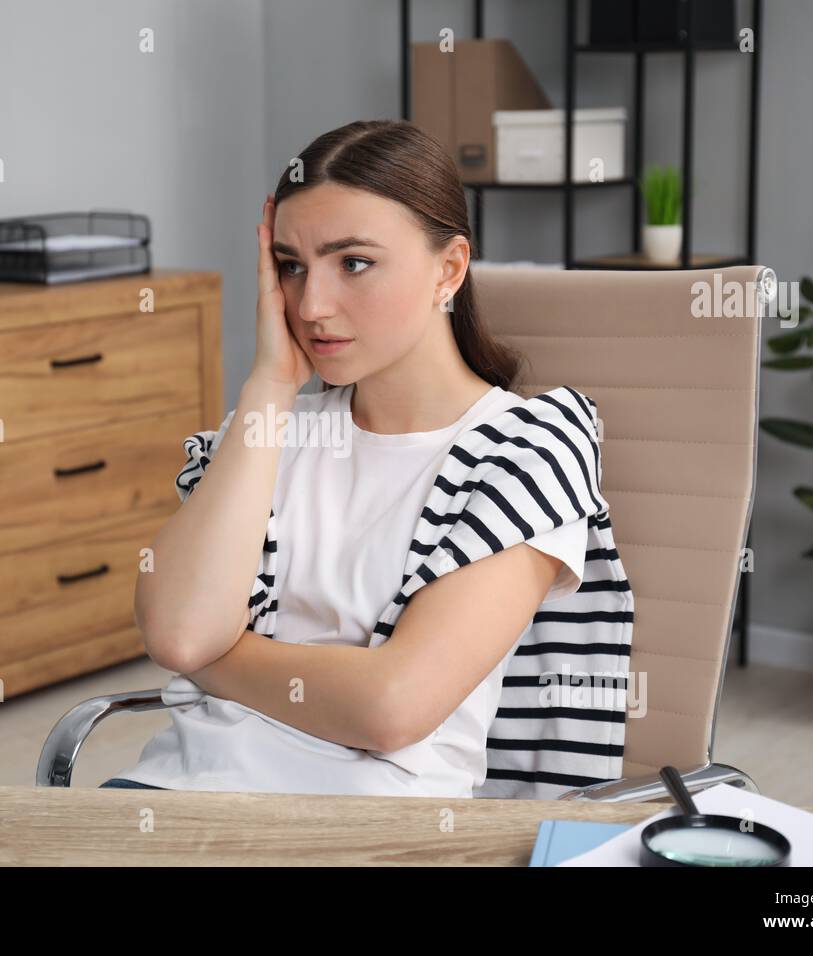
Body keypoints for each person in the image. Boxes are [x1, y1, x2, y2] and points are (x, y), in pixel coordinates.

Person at [101, 119, 596, 797]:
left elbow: (391, 708)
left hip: (366, 831)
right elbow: (181, 631)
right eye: (291, 266)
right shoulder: (269, 429)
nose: (311, 305)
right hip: (171, 800)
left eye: (353, 262)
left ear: (449, 269)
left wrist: (219, 655)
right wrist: (271, 385)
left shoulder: (528, 449)